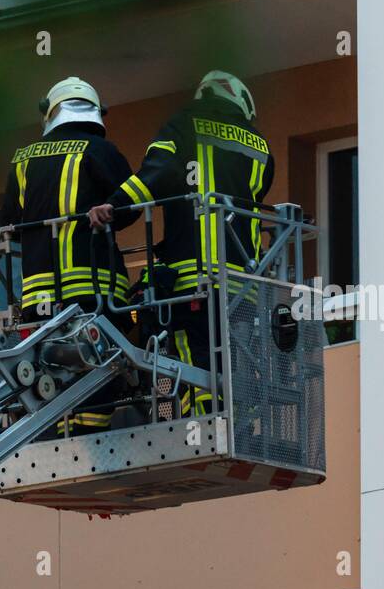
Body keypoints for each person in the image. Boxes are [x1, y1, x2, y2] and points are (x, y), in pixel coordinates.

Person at [89, 70, 274, 417]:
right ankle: (233, 424)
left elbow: (154, 175)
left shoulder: (183, 125)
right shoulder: (259, 145)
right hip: (243, 286)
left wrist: (115, 206)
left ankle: (206, 425)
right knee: (232, 364)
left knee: (198, 364)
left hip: (195, 280)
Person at [0, 76, 140, 434]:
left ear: (52, 112)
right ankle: (87, 434)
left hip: (38, 294)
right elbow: (130, 208)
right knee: (100, 361)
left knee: (51, 365)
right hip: (94, 286)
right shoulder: (101, 151)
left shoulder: (23, 159)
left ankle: (58, 431)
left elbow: (9, 223)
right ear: (94, 111)